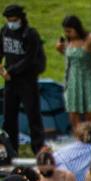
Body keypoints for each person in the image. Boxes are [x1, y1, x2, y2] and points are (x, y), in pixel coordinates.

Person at [1, 4, 45, 156]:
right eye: (8, 20)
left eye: (14, 20)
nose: (11, 23)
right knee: (9, 118)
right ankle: (11, 150)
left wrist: (10, 71)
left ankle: (38, 150)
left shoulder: (30, 34)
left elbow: (30, 59)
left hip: (27, 81)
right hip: (10, 82)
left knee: (33, 116)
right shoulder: (5, 31)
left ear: (21, 18)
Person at [56, 15, 91, 130]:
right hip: (72, 80)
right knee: (73, 112)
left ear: (77, 28)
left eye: (69, 31)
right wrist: (59, 48)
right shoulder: (68, 41)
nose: (67, 34)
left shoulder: (88, 39)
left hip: (87, 79)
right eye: (65, 31)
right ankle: (79, 138)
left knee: (90, 113)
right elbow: (69, 56)